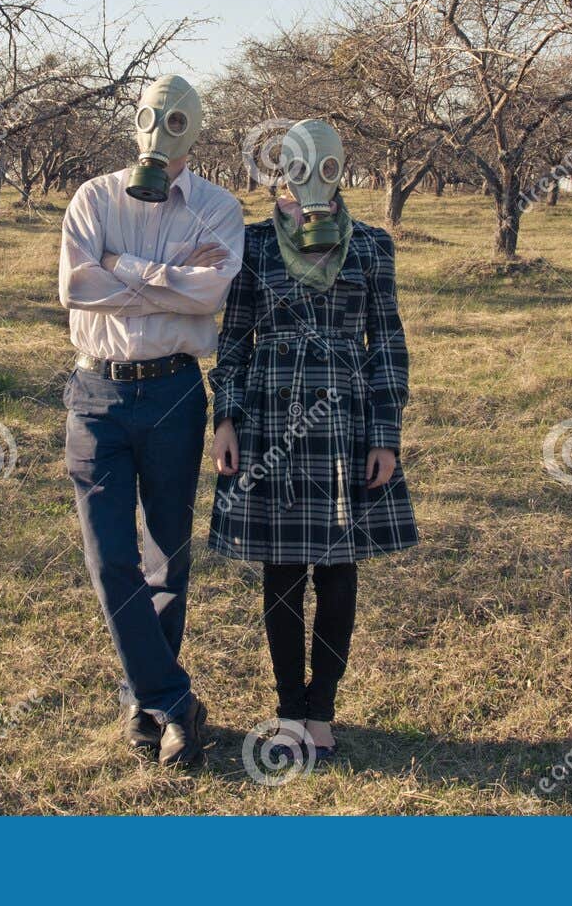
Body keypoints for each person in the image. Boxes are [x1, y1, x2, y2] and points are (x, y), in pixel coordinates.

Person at [208, 118, 416, 761]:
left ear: (339, 169)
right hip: (270, 420)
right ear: (282, 170)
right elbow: (233, 341)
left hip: (346, 423)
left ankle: (322, 707)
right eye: (298, 166)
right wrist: (226, 419)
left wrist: (385, 434)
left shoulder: (372, 246)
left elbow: (387, 344)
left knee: (338, 570)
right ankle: (287, 707)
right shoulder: (254, 244)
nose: (310, 179)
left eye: (324, 166)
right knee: (281, 570)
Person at [58, 73, 244, 769]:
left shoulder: (219, 208)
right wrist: (169, 274)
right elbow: (76, 285)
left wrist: (122, 267)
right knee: (109, 556)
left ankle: (146, 706)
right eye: (149, 117)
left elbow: (211, 294)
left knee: (167, 556)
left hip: (173, 391)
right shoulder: (93, 197)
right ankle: (172, 698)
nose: (158, 133)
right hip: (96, 392)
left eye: (175, 122)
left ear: (195, 128)